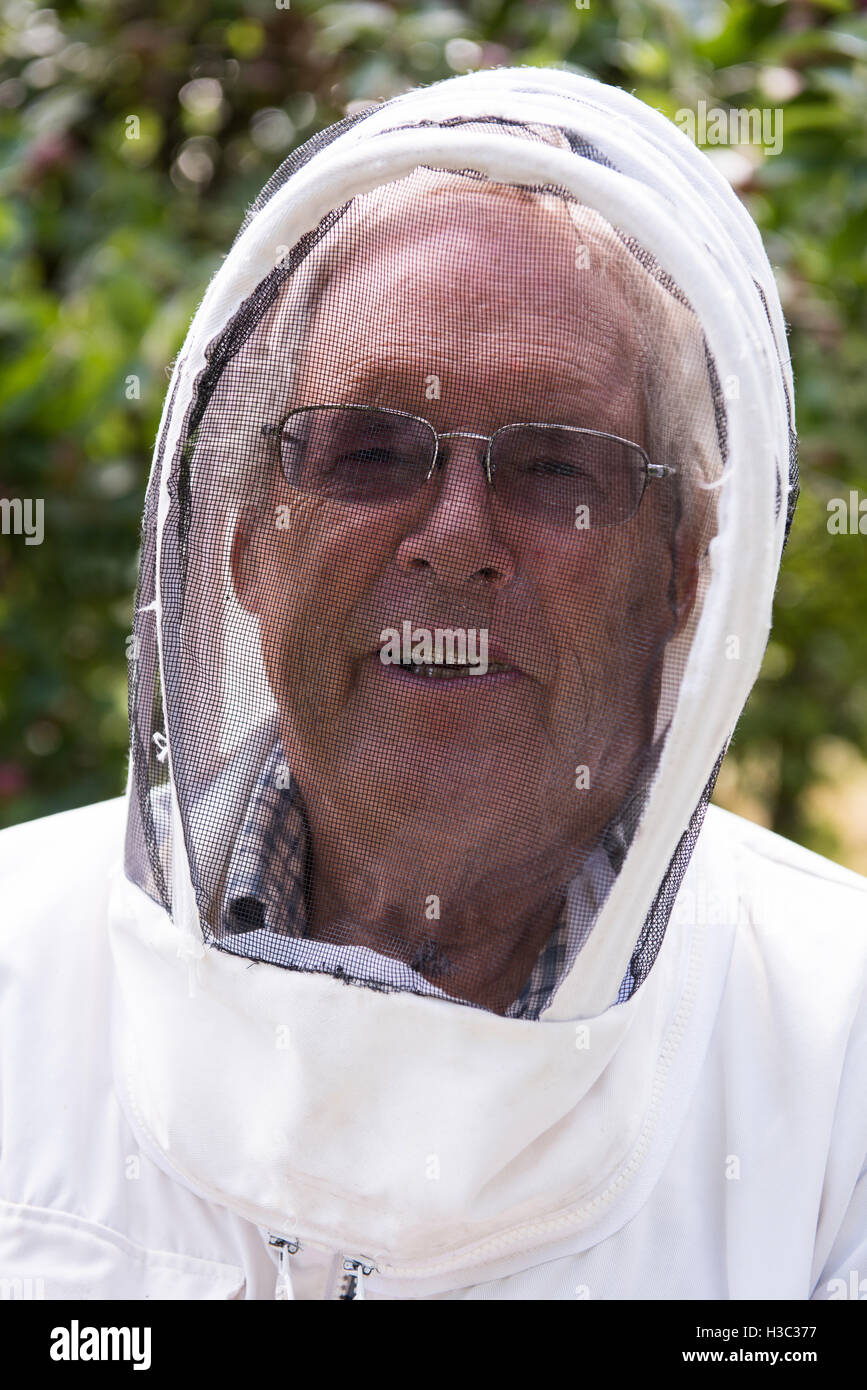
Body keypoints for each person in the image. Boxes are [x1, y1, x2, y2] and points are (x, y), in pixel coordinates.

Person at [1, 67, 865, 1302]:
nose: (454, 535)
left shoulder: (841, 1061)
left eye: (557, 464)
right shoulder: (15, 978)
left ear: (682, 577)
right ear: (246, 538)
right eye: (367, 450)